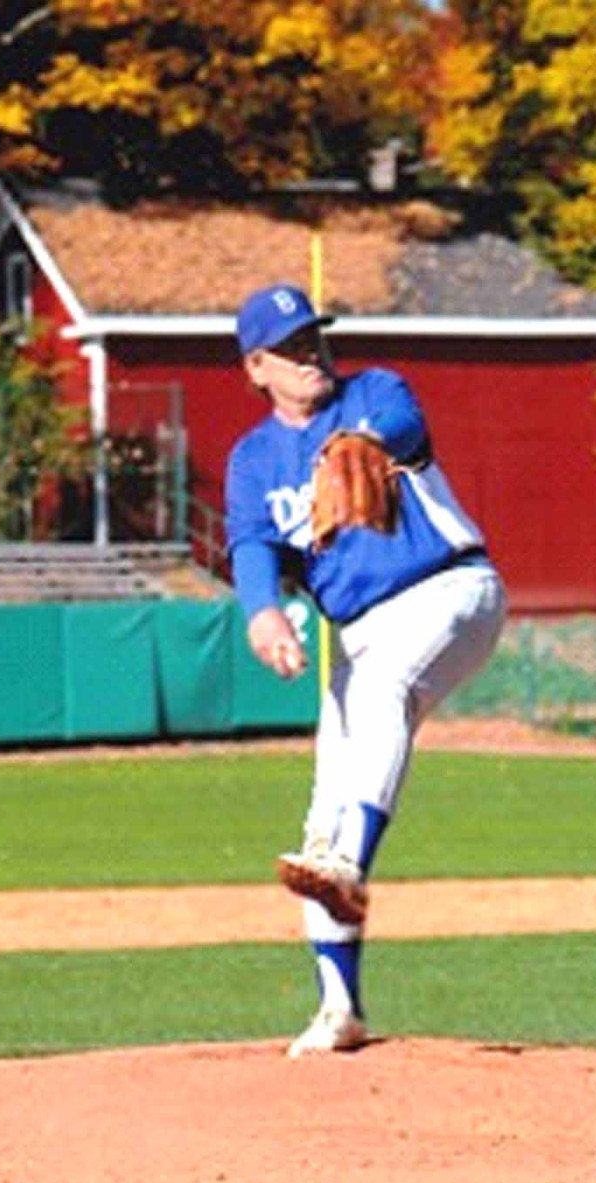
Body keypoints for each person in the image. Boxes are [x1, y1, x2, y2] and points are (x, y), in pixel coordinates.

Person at [225, 283, 507, 1058]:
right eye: (289, 346)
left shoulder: (372, 392)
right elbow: (253, 544)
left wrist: (369, 443)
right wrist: (263, 611)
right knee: (320, 819)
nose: (309, 354)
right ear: (256, 368)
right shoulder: (252, 460)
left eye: (314, 336)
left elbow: (404, 424)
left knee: (382, 691)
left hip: (452, 590)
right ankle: (339, 1006)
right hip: (361, 633)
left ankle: (351, 860)